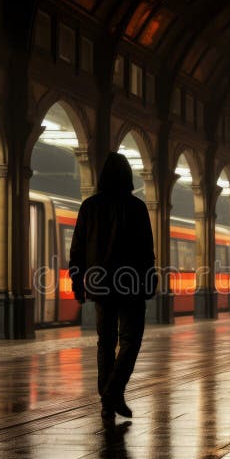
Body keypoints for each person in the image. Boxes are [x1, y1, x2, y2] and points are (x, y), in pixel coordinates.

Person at [69, 152, 157, 420]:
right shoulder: (137, 207)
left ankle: (108, 398)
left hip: (100, 284)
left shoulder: (89, 207)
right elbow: (146, 250)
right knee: (131, 340)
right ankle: (113, 391)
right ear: (128, 177)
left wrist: (77, 282)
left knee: (106, 342)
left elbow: (77, 248)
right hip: (131, 285)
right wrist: (150, 280)